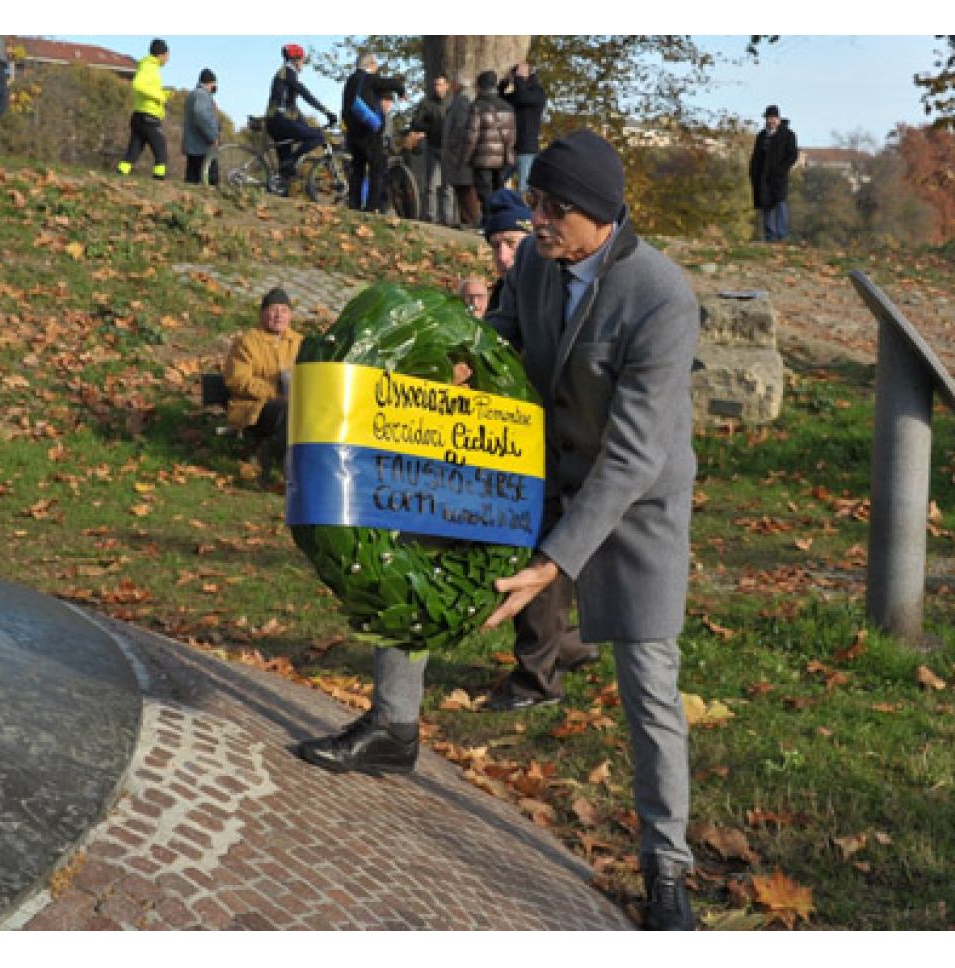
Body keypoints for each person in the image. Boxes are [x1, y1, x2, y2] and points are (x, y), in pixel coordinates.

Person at [297, 131, 701, 931]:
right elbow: (507, 340)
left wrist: (552, 563)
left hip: (637, 501)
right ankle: (392, 726)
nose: (533, 217)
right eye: (535, 200)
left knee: (651, 684)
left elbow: (631, 457)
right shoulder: (539, 268)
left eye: (554, 208)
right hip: (539, 471)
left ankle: (668, 868)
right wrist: (460, 363)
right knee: (417, 548)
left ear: (601, 214)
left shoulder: (663, 300)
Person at [472, 187, 597, 711]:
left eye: (511, 241)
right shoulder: (517, 281)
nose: (504, 256)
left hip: (571, 438)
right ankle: (565, 646)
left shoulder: (564, 275)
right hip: (525, 440)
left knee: (546, 551)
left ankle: (539, 677)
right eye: (494, 246)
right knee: (544, 551)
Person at [225, 288, 305, 470]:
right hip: (254, 405)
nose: (279, 316)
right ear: (263, 313)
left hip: (294, 402)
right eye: (273, 310)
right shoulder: (247, 342)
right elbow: (237, 379)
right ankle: (285, 466)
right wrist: (273, 393)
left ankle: (287, 460)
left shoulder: (300, 342)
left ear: (290, 315)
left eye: (284, 311)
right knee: (288, 412)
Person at [265, 44, 337, 193]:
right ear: (296, 60)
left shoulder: (283, 74)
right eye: (302, 60)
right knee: (318, 137)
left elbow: (293, 108)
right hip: (280, 122)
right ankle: (290, 162)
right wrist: (326, 112)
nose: (303, 63)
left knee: (284, 169)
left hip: (275, 122)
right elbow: (305, 94)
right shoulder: (288, 74)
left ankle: (278, 187)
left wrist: (304, 125)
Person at [341, 53, 405, 213]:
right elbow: (393, 84)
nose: (377, 68)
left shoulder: (350, 81)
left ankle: (354, 203)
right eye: (376, 65)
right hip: (369, 132)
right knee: (378, 168)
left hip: (352, 133)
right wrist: (402, 91)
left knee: (358, 169)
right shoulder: (369, 79)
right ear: (370, 64)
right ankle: (372, 206)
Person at [462, 70, 517, 217]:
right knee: (499, 190)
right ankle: (499, 220)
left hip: (483, 157)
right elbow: (512, 135)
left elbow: (471, 135)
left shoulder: (478, 106)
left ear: (480, 86)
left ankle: (488, 221)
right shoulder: (507, 106)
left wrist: (466, 157)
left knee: (484, 192)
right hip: (503, 158)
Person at [117, 39, 170, 180]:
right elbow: (138, 85)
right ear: (162, 55)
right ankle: (158, 182)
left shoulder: (147, 66)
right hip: (148, 117)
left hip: (140, 115)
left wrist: (164, 94)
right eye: (168, 55)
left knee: (134, 150)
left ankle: (120, 174)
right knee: (161, 151)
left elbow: (146, 88)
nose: (168, 59)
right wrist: (159, 96)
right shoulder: (150, 67)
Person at [749, 105, 798, 243]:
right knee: (766, 205)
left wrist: (781, 170)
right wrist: (753, 173)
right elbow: (756, 157)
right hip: (763, 177)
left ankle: (782, 236)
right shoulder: (762, 136)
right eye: (768, 118)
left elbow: (792, 155)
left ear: (778, 119)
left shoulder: (788, 135)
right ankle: (770, 237)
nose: (770, 121)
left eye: (772, 118)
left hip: (779, 177)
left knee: (780, 203)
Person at [408, 74, 452, 225]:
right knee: (431, 184)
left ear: (447, 85)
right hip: (433, 145)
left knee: (448, 186)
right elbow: (415, 122)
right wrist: (430, 127)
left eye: (440, 85)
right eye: (435, 85)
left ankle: (447, 218)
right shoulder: (427, 103)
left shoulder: (453, 103)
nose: (437, 88)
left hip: (449, 148)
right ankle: (430, 215)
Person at [498, 62, 546, 192]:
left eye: (519, 74)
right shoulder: (517, 94)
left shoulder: (537, 92)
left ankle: (523, 212)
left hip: (527, 150)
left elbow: (523, 97)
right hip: (512, 149)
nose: (516, 77)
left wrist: (519, 77)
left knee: (523, 189)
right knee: (497, 182)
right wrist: (504, 83)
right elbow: (500, 100)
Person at [441, 73, 478, 229]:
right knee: (460, 188)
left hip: (460, 153)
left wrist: (452, 145)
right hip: (459, 152)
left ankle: (470, 220)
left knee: (465, 188)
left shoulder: (462, 101)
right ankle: (465, 220)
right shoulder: (459, 100)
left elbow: (461, 128)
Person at [182, 69, 221, 186]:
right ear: (211, 82)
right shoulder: (202, 95)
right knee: (211, 181)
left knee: (192, 181)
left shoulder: (193, 94)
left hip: (193, 146)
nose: (215, 87)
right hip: (202, 147)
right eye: (215, 84)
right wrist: (212, 136)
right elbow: (201, 116)